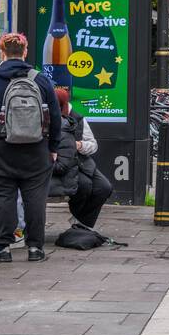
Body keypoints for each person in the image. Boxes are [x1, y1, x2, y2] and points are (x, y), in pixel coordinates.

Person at [0, 32, 62, 263]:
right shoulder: (41, 80)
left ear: (1, 52)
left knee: (4, 196)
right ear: (25, 52)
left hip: (0, 148)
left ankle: (3, 247)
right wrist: (53, 147)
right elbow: (55, 117)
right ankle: (35, 249)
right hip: (36, 148)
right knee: (35, 199)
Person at [53, 88, 113, 230]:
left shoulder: (78, 118)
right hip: (62, 164)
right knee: (84, 185)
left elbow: (93, 145)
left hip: (81, 162)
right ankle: (81, 223)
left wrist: (79, 145)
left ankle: (82, 221)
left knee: (104, 187)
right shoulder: (47, 118)